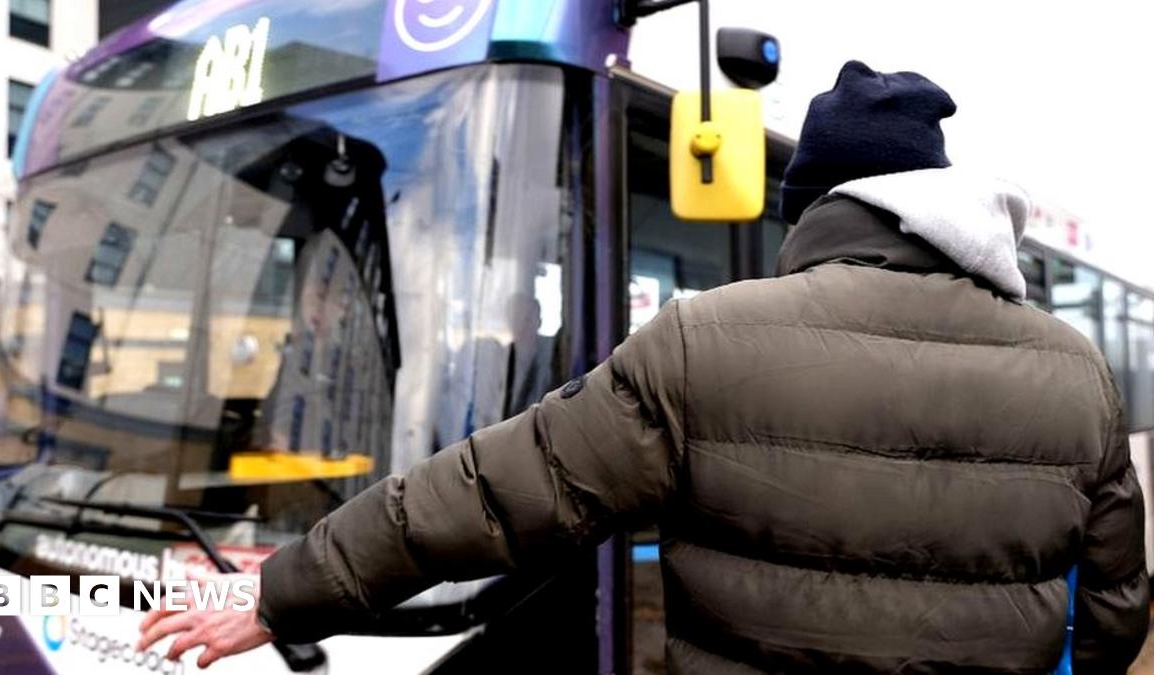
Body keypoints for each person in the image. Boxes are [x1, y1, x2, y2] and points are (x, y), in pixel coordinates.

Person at [138, 61, 1150, 673]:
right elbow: (1112, 613)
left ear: (813, 208)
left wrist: (283, 594)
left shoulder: (706, 339)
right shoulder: (1076, 374)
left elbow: (487, 493)